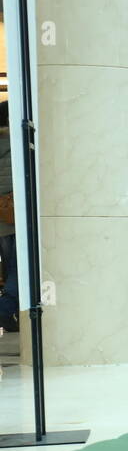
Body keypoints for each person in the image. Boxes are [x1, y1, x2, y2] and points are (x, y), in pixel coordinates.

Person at [0, 101, 19, 334]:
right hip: (15, 217)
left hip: (2, 221)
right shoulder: (14, 144)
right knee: (17, 270)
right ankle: (5, 310)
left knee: (8, 269)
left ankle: (10, 317)